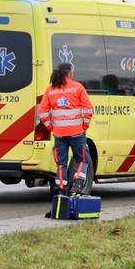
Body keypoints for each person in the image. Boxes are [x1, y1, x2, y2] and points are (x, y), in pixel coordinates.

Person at [37, 63, 94, 197]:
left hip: (59, 134)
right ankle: (78, 182)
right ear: (69, 72)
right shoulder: (78, 87)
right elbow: (88, 109)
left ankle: (62, 188)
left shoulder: (50, 89)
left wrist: (51, 127)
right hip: (77, 132)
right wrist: (84, 126)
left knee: (61, 163)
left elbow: (42, 111)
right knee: (82, 159)